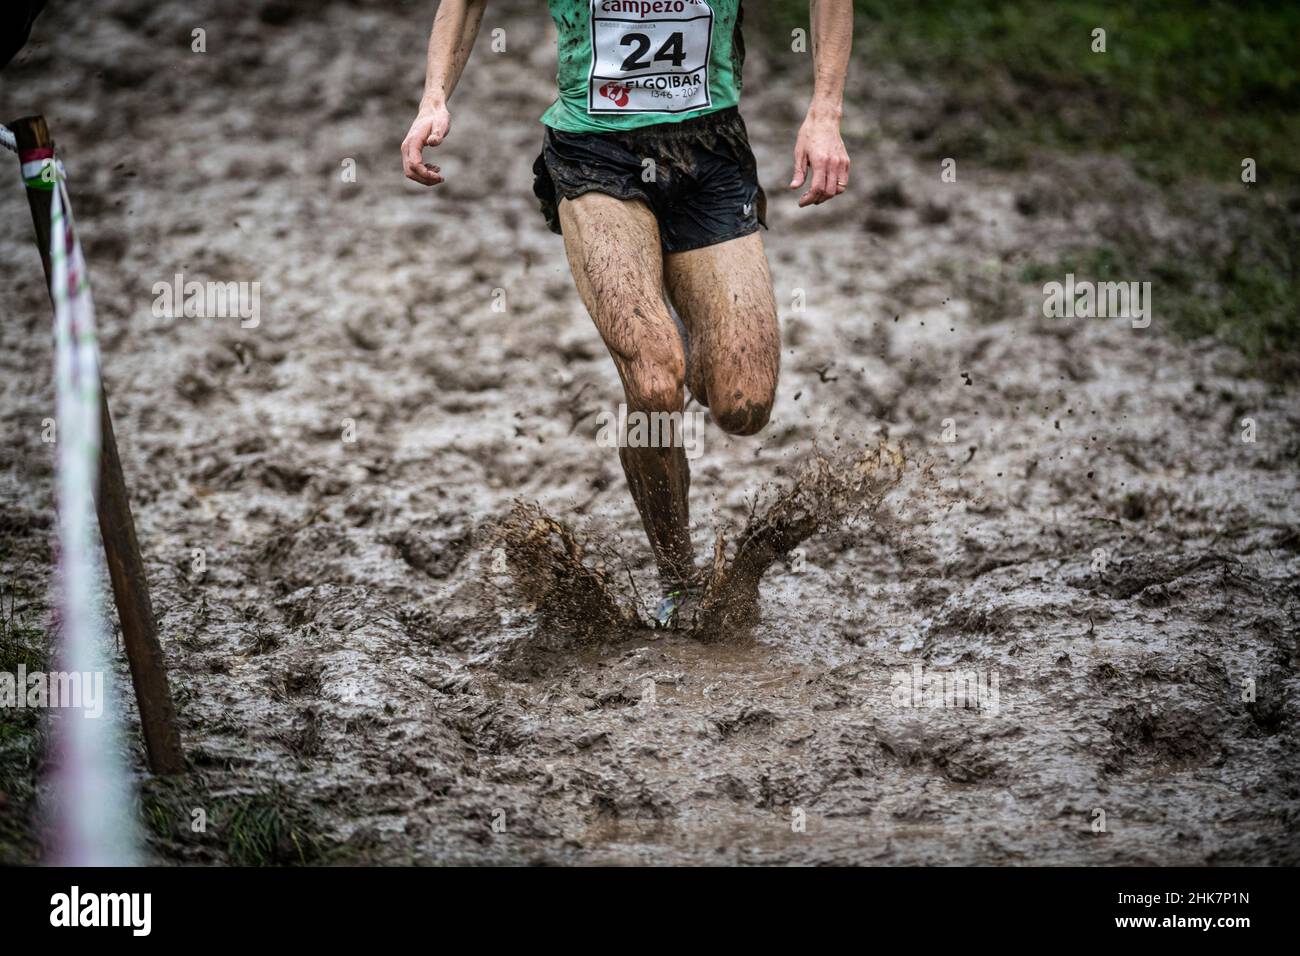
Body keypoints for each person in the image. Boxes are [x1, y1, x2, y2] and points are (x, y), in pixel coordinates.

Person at [403, 0, 852, 626]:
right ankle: (678, 577)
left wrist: (824, 111)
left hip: (709, 149)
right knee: (654, 378)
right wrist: (434, 99)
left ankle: (681, 334)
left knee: (743, 406)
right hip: (594, 155)